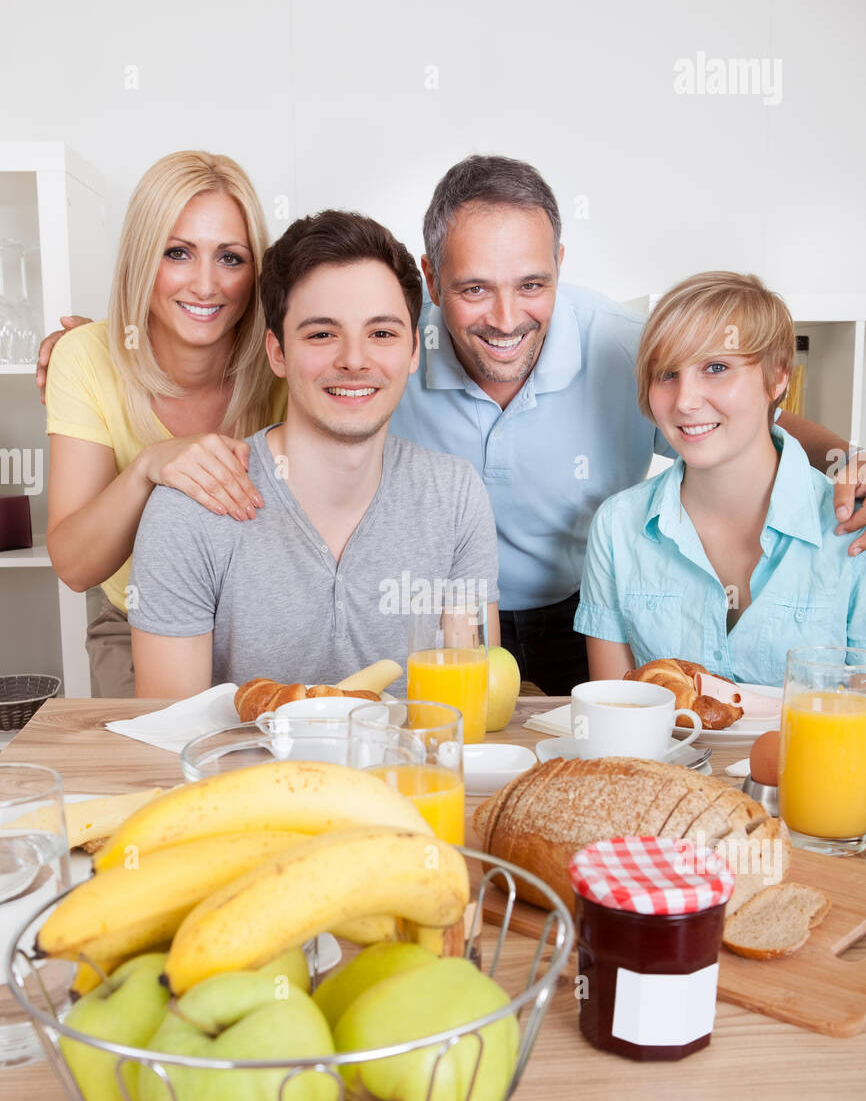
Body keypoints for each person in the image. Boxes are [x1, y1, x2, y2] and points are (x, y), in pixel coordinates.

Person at [389, 155, 866, 694]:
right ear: (431, 278)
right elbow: (323, 435)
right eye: (474, 289)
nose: (505, 318)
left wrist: (849, 460)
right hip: (439, 615)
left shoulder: (629, 348)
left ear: (559, 265)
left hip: (583, 614)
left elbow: (746, 420)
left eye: (531, 284)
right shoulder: (389, 353)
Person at [127, 210, 500, 697]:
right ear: (278, 353)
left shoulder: (455, 495)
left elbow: (468, 713)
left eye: (382, 333)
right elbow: (169, 741)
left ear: (413, 350)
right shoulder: (189, 509)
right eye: (322, 334)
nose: (354, 359)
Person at [43, 151, 284, 697]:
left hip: (271, 631)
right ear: (141, 260)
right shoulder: (84, 358)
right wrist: (149, 468)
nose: (206, 284)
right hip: (136, 627)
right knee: (159, 774)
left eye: (231, 258)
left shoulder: (288, 361)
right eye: (178, 252)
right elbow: (76, 566)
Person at [575, 272, 866, 685]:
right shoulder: (617, 527)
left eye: (716, 367)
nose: (686, 401)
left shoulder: (853, 528)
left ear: (779, 375)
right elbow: (618, 715)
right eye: (666, 374)